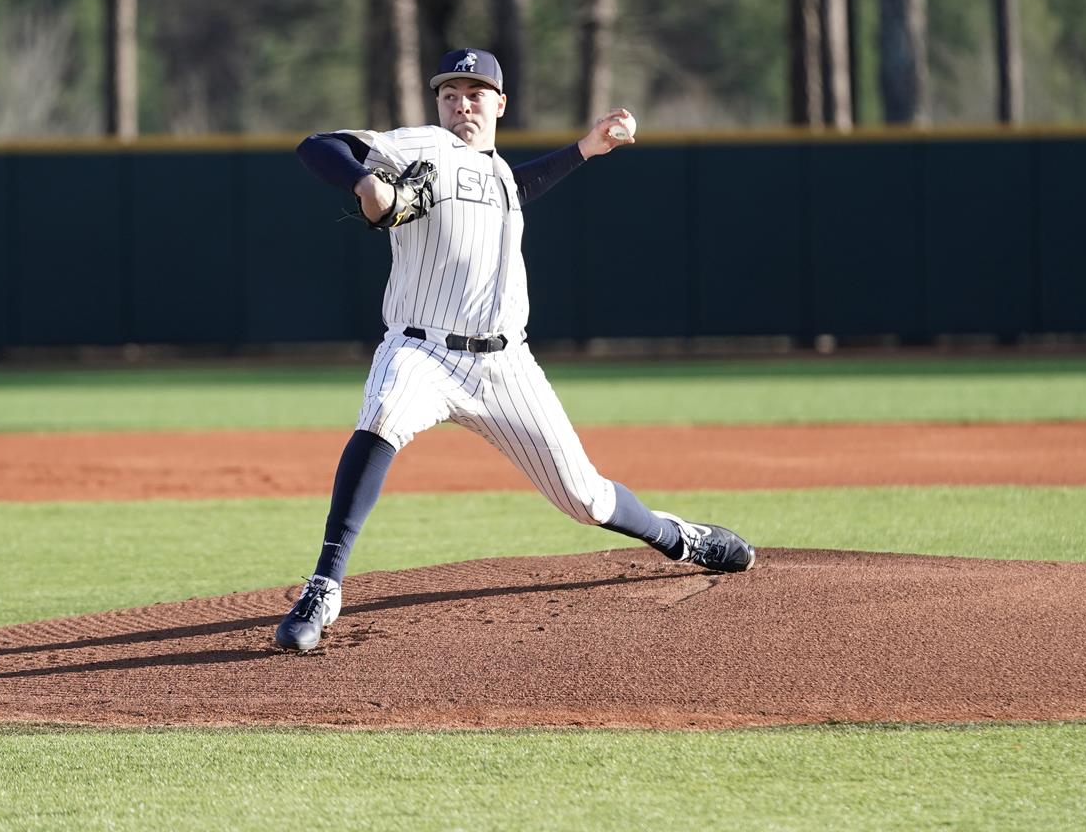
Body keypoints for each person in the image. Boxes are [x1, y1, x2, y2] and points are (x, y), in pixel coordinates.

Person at [277, 48, 755, 652]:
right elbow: (316, 145)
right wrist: (365, 180)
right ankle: (324, 586)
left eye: (475, 93)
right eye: (450, 94)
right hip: (421, 351)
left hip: (506, 366)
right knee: (381, 417)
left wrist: (586, 149)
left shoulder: (499, 174)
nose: (461, 104)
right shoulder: (425, 144)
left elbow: (515, 187)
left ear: (500, 104)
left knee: (586, 498)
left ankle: (679, 538)